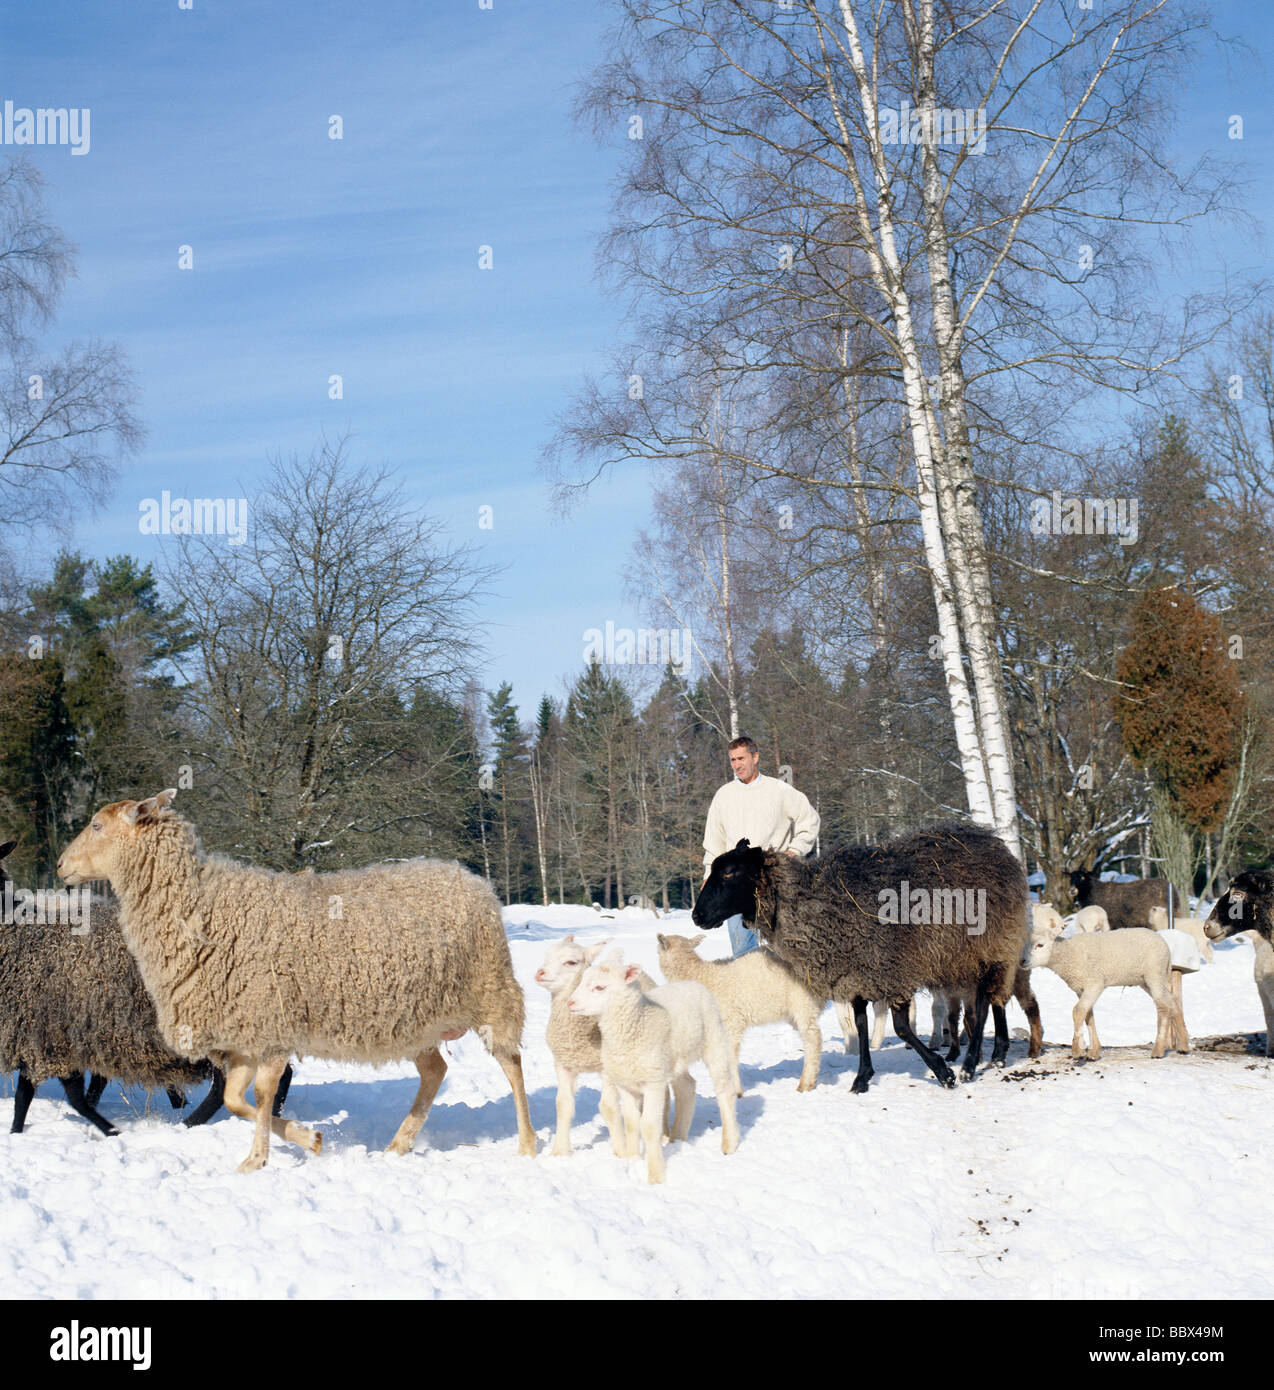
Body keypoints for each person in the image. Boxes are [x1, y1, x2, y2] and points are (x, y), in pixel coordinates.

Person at [701, 735, 820, 957]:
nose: (737, 765)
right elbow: (714, 843)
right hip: (735, 885)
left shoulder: (779, 790)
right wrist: (709, 874)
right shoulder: (724, 796)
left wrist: (794, 851)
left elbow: (809, 819)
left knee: (787, 953)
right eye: (733, 760)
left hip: (775, 883)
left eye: (741, 758)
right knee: (745, 954)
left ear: (755, 757)